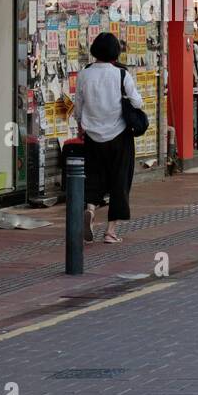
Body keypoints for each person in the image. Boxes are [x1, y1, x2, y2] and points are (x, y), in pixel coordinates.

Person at [72, 32, 142, 244]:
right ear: (115, 52)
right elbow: (137, 102)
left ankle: (91, 210)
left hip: (92, 136)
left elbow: (78, 106)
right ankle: (111, 232)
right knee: (119, 181)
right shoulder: (121, 74)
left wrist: (80, 125)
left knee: (93, 177)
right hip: (119, 135)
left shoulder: (84, 74)